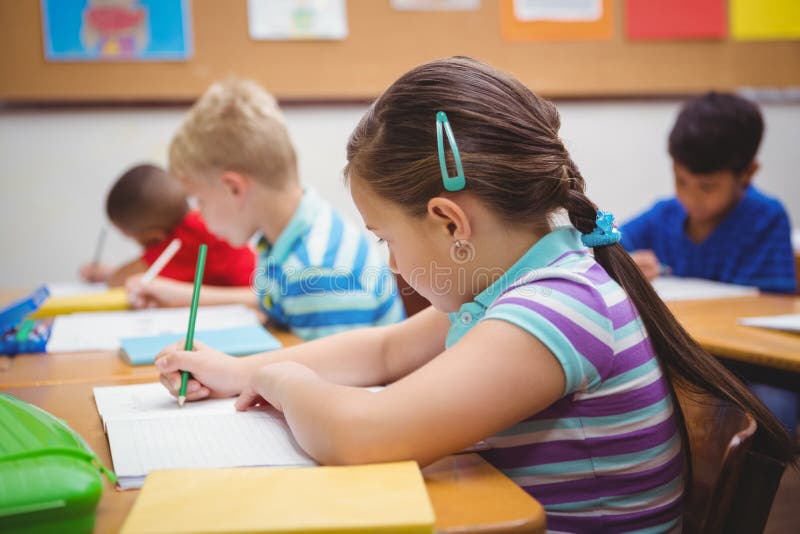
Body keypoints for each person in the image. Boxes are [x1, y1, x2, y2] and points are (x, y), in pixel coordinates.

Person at [154, 59, 795, 531]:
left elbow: (363, 434)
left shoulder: (554, 309)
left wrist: (283, 379)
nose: (391, 264)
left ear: (450, 222)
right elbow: (380, 352)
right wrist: (239, 370)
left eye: (385, 238)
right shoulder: (516, 284)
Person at [127, 79, 404, 340]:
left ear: (234, 188)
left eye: (200, 200)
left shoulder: (317, 271)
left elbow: (335, 383)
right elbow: (278, 300)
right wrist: (178, 294)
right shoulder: (290, 231)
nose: (198, 214)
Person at [621, 92, 796, 294]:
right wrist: (625, 266)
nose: (690, 197)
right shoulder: (664, 216)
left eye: (707, 187)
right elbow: (602, 248)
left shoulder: (766, 220)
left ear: (748, 173)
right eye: (681, 181)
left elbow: (771, 306)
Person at [80, 163, 254, 287]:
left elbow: (121, 281)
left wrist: (111, 275)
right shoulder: (195, 223)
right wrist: (109, 272)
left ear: (154, 236)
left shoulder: (183, 240)